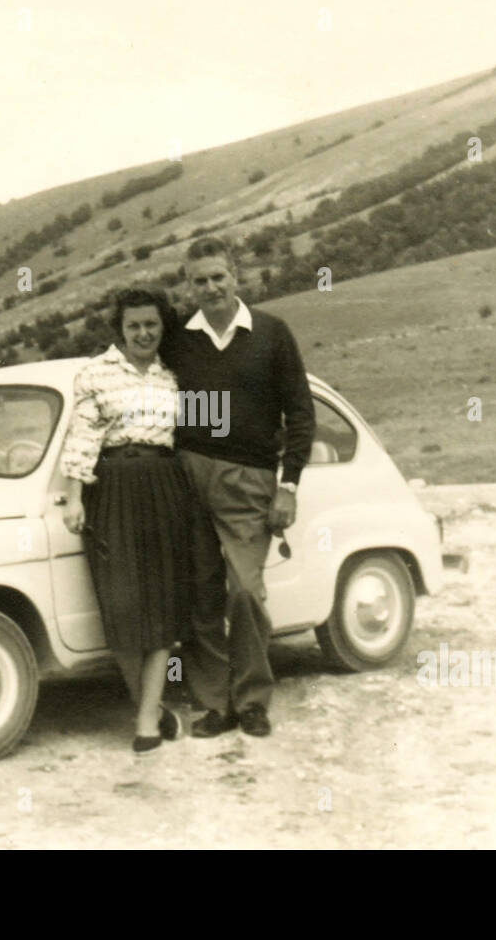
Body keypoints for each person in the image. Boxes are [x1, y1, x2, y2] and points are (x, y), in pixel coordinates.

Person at [60, 288, 225, 755]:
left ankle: (148, 720)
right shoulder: (94, 374)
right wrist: (74, 497)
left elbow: (209, 428)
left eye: (151, 324)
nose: (143, 333)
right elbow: (82, 438)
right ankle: (147, 707)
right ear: (120, 330)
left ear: (161, 327)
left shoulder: (174, 378)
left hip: (165, 488)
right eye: (134, 326)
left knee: (160, 605)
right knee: (122, 606)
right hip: (110, 488)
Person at [165, 237, 316, 739]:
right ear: (188, 286)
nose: (210, 287)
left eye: (218, 277)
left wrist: (287, 486)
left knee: (245, 593)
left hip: (250, 479)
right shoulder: (178, 340)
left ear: (236, 276)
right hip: (188, 474)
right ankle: (213, 704)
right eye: (199, 280)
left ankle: (252, 699)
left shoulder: (271, 333)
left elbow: (299, 413)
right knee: (201, 594)